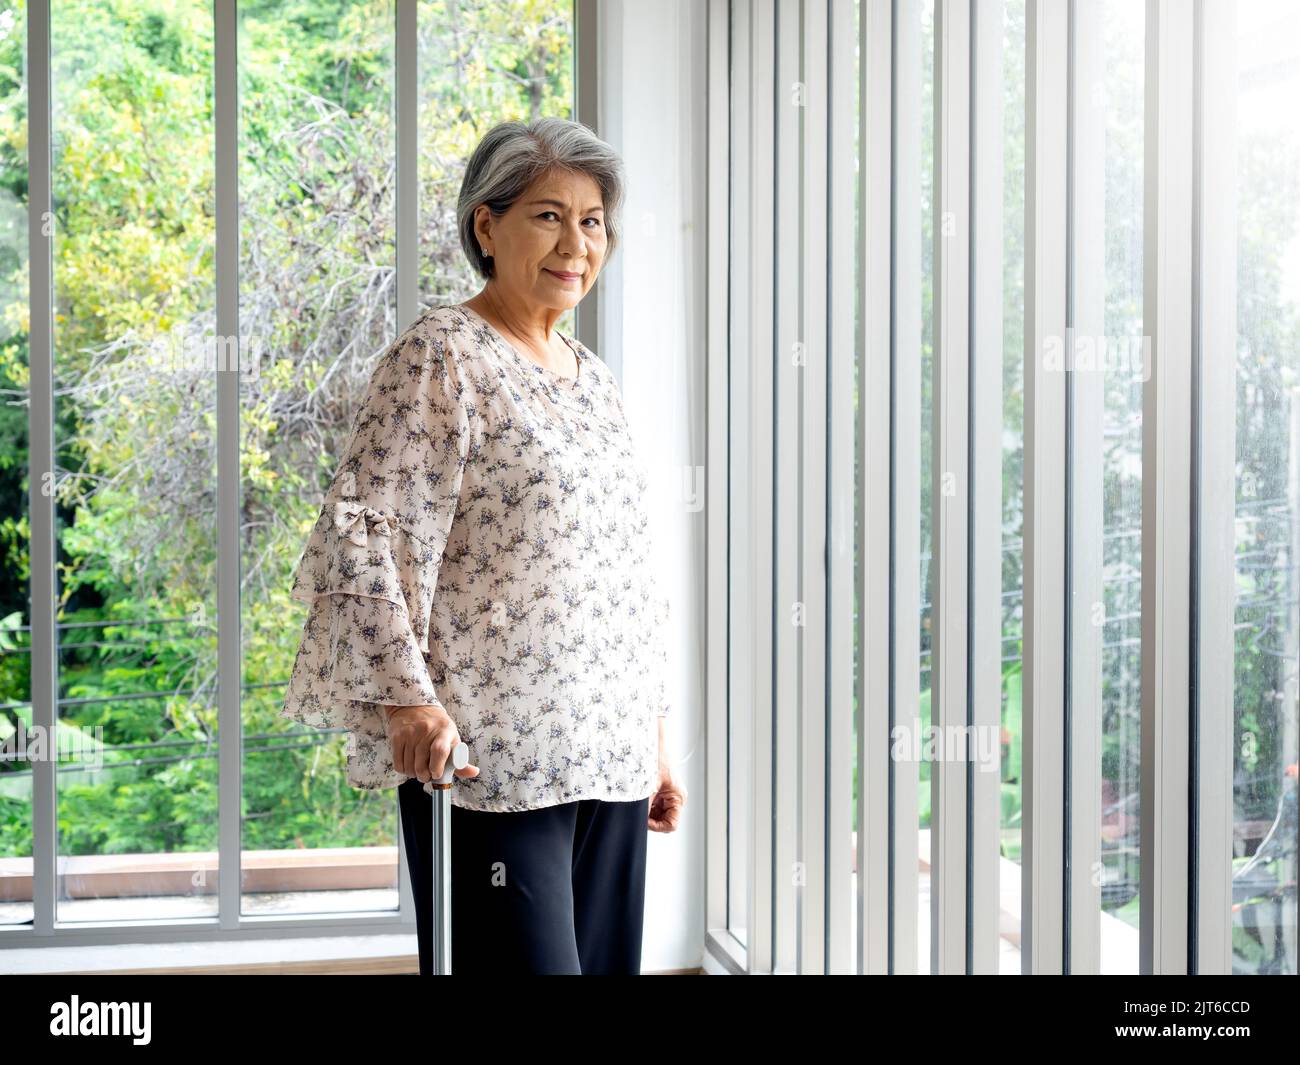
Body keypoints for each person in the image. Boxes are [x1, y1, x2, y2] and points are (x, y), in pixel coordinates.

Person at [280, 116, 686, 975]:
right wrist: (405, 701)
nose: (575, 242)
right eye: (548, 215)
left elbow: (625, 572)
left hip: (607, 757)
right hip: (489, 763)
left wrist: (651, 737)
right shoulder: (442, 356)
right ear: (486, 227)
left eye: (592, 221)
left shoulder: (595, 380)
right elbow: (361, 534)